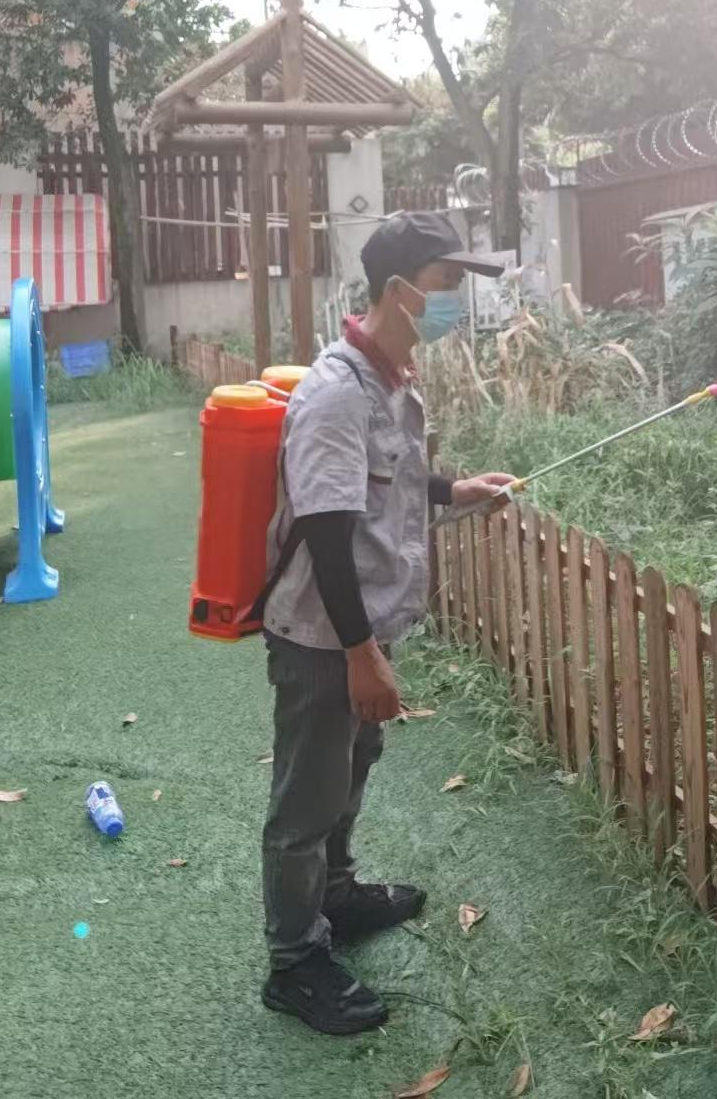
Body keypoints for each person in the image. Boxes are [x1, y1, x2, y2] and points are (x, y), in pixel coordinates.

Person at [260, 211, 517, 1036]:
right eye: (447, 283)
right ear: (400, 290)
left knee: (352, 767)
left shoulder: (393, 379)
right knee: (306, 803)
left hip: (361, 628)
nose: (455, 300)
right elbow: (326, 530)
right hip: (323, 637)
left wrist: (454, 491)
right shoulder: (337, 392)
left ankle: (336, 896)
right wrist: (361, 656)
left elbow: (390, 483)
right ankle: (294, 962)